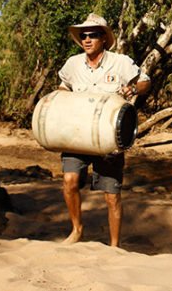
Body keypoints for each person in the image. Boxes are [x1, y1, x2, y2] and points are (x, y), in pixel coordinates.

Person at [57, 13, 150, 247]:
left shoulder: (121, 62)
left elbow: (145, 81)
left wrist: (133, 88)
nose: (87, 39)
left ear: (103, 39)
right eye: (83, 36)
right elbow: (62, 88)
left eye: (93, 35)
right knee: (69, 180)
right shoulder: (72, 64)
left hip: (108, 139)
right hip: (76, 135)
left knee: (112, 196)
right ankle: (77, 230)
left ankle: (114, 246)